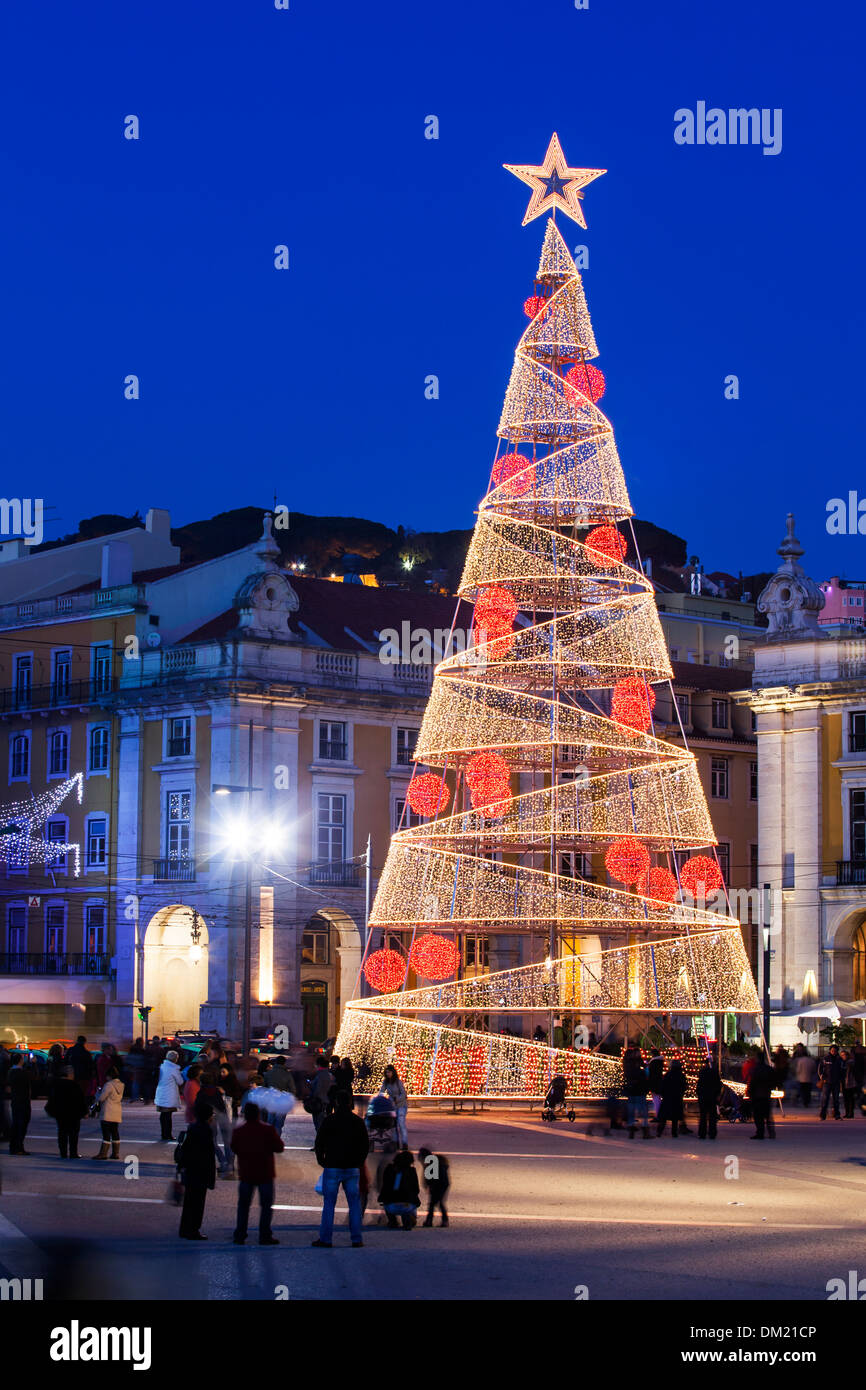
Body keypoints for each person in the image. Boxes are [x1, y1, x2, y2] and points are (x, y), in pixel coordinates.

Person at [311, 1089, 370, 1248]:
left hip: (333, 1165)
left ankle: (326, 1238)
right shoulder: (357, 1121)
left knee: (329, 1204)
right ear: (350, 1102)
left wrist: (321, 1159)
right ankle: (356, 1239)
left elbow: (319, 1141)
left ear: (336, 1102)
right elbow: (365, 1145)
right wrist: (359, 1161)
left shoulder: (330, 1120)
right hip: (352, 1167)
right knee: (354, 1204)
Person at [230, 1102, 284, 1245]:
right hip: (264, 1172)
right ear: (259, 1114)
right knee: (266, 1206)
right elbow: (279, 1147)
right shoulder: (267, 1130)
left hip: (246, 1172)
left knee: (243, 1206)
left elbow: (233, 1147)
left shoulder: (239, 1131)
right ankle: (264, 1235)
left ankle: (240, 1234)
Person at [175, 1099, 217, 1240]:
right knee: (197, 1204)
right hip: (200, 1172)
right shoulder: (206, 1131)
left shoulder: (192, 1127)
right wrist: (211, 1176)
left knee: (189, 1202)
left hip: (190, 1170)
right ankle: (193, 1230)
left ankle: (184, 1229)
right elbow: (208, 1156)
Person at [46, 1063, 87, 1159]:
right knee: (73, 1134)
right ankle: (73, 1153)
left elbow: (52, 1099)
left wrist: (51, 1110)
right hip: (73, 1113)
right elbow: (80, 1100)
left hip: (60, 1113)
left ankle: (63, 1152)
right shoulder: (74, 1085)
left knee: (62, 1132)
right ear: (69, 1074)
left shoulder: (56, 1085)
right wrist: (84, 1112)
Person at [198, 1071, 234, 1175]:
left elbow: (199, 1107)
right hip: (222, 1116)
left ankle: (223, 1161)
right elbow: (222, 1105)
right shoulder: (217, 1091)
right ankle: (230, 1165)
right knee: (227, 1141)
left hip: (210, 1118)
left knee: (212, 1141)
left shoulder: (202, 1092)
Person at [378, 1148, 422, 1230]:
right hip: (408, 1204)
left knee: (387, 1202)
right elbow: (416, 1189)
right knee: (410, 1204)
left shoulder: (389, 1169)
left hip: (391, 1204)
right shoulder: (411, 1171)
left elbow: (385, 1187)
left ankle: (393, 1221)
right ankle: (408, 1218)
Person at [92, 1064, 125, 1160]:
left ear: (110, 1076)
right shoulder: (121, 1085)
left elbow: (102, 1098)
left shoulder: (109, 1085)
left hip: (108, 1111)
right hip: (117, 1111)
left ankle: (103, 1153)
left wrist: (97, 1093)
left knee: (106, 1133)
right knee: (115, 1132)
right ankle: (116, 1153)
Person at [262, 1054, 296, 1136]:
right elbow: (292, 1090)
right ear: (284, 1063)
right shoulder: (287, 1074)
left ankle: (269, 1141)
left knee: (270, 1122)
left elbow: (264, 1088)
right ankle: (276, 1142)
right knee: (278, 1125)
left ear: (275, 1062)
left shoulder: (268, 1073)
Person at [155, 1050, 184, 1142]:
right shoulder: (173, 1069)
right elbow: (180, 1082)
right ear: (175, 1059)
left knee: (163, 1115)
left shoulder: (162, 1066)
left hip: (161, 1092)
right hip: (169, 1094)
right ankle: (167, 1134)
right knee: (168, 1116)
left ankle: (164, 1133)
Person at [623, 1044, 651, 1139]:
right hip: (640, 1088)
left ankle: (631, 1128)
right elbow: (647, 1074)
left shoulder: (627, 1063)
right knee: (643, 1109)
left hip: (631, 1088)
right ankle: (645, 1129)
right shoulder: (639, 1065)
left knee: (631, 1109)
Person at [418, 1146, 450, 1227]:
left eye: (419, 1155)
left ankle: (433, 1221)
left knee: (435, 1203)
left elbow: (433, 1178)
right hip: (442, 1184)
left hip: (439, 1185)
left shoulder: (431, 1163)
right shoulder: (431, 1161)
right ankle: (436, 1220)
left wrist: (430, 1187)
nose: (418, 1157)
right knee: (437, 1202)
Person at [747, 1053, 777, 1139]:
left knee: (758, 1115)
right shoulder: (769, 1069)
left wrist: (749, 1092)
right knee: (767, 1115)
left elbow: (752, 1082)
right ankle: (771, 1132)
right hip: (766, 1094)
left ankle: (760, 1132)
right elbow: (774, 1081)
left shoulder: (755, 1070)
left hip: (757, 1095)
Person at [7, 1051, 32, 1154]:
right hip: (23, 1100)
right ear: (20, 1061)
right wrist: (33, 1064)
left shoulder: (10, 1072)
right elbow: (34, 1077)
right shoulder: (21, 1072)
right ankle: (19, 1147)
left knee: (16, 1123)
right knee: (22, 1124)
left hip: (15, 1100)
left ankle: (13, 1147)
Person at [656, 1059, 687, 1138]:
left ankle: (659, 1131)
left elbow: (662, 1086)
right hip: (677, 1098)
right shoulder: (681, 1075)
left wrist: (663, 1094)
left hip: (667, 1098)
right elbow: (684, 1087)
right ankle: (674, 1132)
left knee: (663, 1117)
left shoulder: (667, 1075)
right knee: (675, 1118)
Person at [308, 1055, 336, 1136]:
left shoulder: (321, 1075)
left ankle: (320, 1144)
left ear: (318, 1065)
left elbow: (318, 1089)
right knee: (319, 1123)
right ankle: (320, 1143)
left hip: (318, 1102)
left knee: (318, 1124)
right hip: (323, 1100)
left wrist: (311, 1087)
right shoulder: (327, 1074)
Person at [382, 1064, 409, 1147]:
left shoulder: (398, 1082)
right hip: (393, 1106)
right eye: (386, 1072)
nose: (388, 1074)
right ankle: (396, 1142)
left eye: (389, 1072)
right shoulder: (386, 1082)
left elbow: (404, 1094)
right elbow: (382, 1091)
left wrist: (396, 1098)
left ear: (393, 1072)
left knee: (401, 1124)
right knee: (394, 1125)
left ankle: (404, 1143)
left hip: (401, 1105)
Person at [696, 1056, 723, 1140]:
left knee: (703, 1115)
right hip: (712, 1096)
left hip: (703, 1096)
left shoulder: (702, 1072)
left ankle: (702, 1133)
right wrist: (717, 1094)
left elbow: (699, 1085)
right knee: (712, 1116)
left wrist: (699, 1094)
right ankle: (712, 1133)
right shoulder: (714, 1072)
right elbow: (718, 1085)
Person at [818, 1045, 844, 1121]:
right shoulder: (825, 1058)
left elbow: (842, 1070)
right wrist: (822, 1077)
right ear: (830, 1050)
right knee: (825, 1099)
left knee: (836, 1099)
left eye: (835, 1050)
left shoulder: (839, 1059)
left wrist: (841, 1079)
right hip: (827, 1082)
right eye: (832, 1050)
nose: (833, 1052)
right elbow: (820, 1068)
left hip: (836, 1082)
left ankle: (837, 1115)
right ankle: (822, 1115)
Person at [647, 1048, 665, 1118]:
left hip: (654, 1082)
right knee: (658, 1099)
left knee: (656, 1099)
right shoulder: (659, 1061)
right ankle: (659, 1114)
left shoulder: (654, 1062)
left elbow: (651, 1073)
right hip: (658, 1082)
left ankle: (658, 1115)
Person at [842, 1049, 859, 1119]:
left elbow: (854, 1072)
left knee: (850, 1098)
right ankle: (847, 1112)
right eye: (842, 1055)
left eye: (844, 1055)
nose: (843, 1056)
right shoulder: (842, 1062)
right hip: (844, 1082)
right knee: (846, 1098)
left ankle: (850, 1113)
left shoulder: (850, 1062)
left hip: (851, 1082)